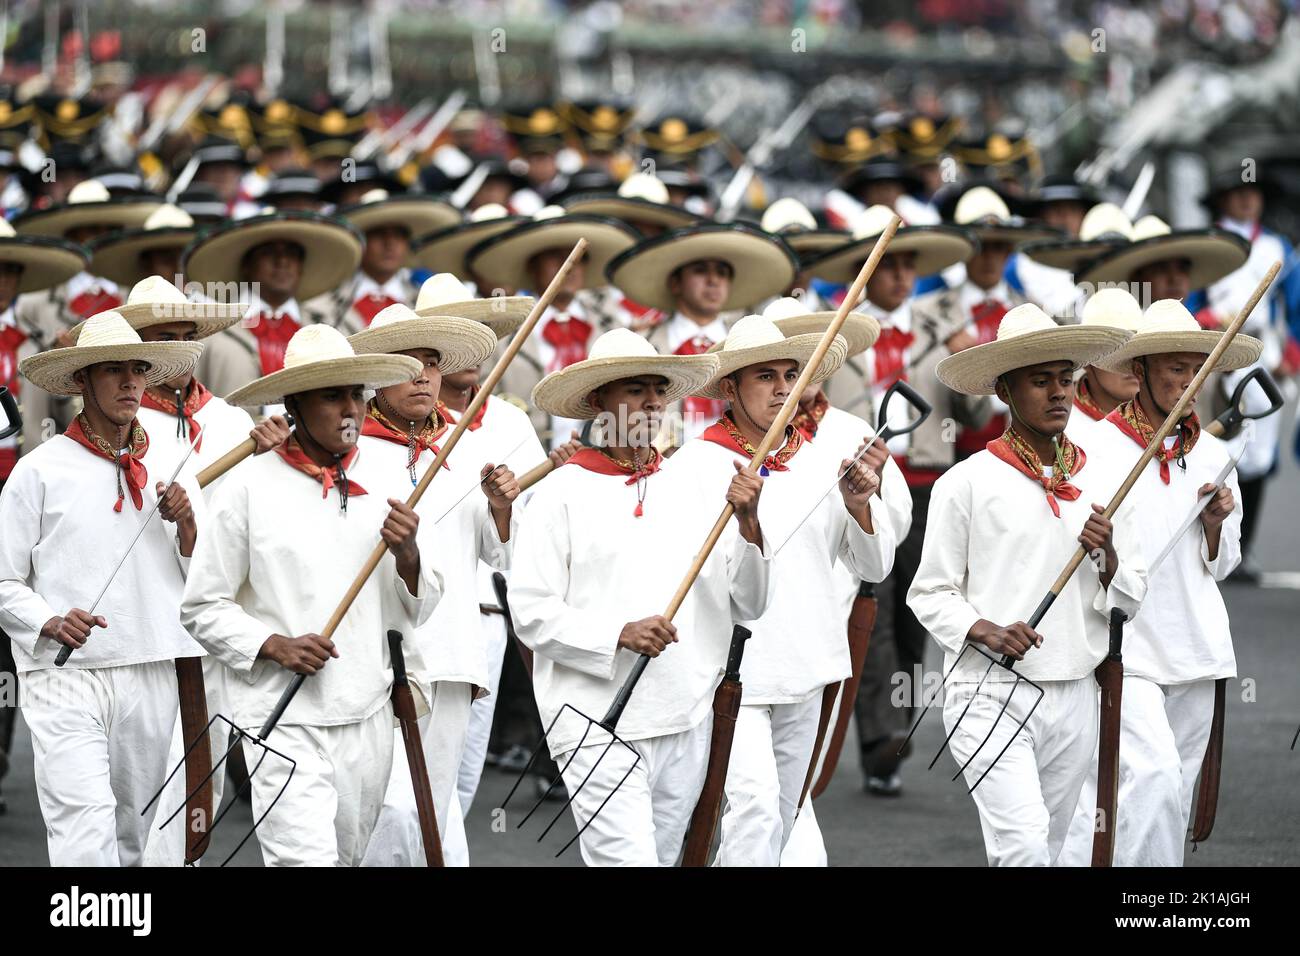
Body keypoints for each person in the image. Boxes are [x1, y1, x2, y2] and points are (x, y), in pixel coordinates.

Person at [180, 325, 443, 866]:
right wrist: (274, 644)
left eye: (356, 395)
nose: (349, 409)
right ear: (295, 405)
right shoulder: (247, 489)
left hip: (367, 713)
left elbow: (424, 603)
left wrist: (410, 554)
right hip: (282, 717)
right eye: (332, 395)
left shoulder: (395, 480)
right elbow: (202, 607)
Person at [509, 328, 771, 866]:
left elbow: (750, 603)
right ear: (597, 400)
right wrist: (617, 634)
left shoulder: (699, 482)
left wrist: (749, 525)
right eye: (634, 388)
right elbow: (530, 611)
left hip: (684, 711)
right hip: (592, 718)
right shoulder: (560, 491)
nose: (652, 401)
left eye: (658, 388)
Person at [907, 303, 1144, 866]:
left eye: (1066, 379)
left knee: (1059, 848)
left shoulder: (1107, 480)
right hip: (987, 695)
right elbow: (929, 591)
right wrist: (982, 628)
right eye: (1041, 382)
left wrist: (1108, 555)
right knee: (1023, 846)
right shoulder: (963, 482)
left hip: (1076, 688)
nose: (1059, 393)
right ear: (1005, 391)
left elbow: (1131, 593)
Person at [671, 314, 894, 866]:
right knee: (753, 808)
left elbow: (876, 565)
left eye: (790, 374)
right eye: (764, 376)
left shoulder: (825, 461)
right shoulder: (695, 464)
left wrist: (861, 504)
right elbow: (710, 583)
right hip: (731, 671)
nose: (781, 388)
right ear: (730, 388)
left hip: (810, 665)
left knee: (784, 815)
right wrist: (747, 523)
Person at [1060, 298, 1261, 867]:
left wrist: (1218, 527)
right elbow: (1076, 547)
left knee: (1165, 799)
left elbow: (1224, 566)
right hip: (1126, 650)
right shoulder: (1094, 449)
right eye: (1176, 368)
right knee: (1150, 778)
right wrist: (1102, 546)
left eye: (1198, 368)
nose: (1190, 382)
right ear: (1141, 371)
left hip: (1198, 649)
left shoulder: (1217, 454)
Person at [0, 310, 203, 865]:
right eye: (112, 370)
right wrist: (47, 620)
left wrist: (187, 526)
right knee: (83, 834)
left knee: (145, 840)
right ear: (82, 381)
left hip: (154, 663)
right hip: (63, 675)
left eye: (138, 369)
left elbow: (209, 579)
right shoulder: (38, 470)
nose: (130, 381)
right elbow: (2, 579)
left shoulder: (175, 461)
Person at [807, 203, 982, 794]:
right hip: (857, 485)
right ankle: (878, 737)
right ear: (864, 267)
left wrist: (971, 362)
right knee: (867, 606)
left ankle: (895, 730)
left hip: (929, 486)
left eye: (909, 265)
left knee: (917, 614)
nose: (902, 276)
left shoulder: (941, 329)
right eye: (888, 264)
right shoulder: (834, 332)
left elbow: (978, 414)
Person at [344, 302, 510, 865]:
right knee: (384, 813)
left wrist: (502, 508)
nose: (422, 375)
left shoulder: (468, 450)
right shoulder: (347, 450)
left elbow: (500, 553)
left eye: (432, 363)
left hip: (454, 655)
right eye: (406, 362)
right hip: (379, 656)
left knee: (431, 817)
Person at [607, 221, 797, 447]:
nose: (713, 280)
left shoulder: (752, 344)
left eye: (722, 273)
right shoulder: (642, 344)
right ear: (676, 283)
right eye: (700, 270)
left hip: (740, 465)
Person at [467, 207, 639, 446]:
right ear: (532, 266)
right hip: (526, 463)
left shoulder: (613, 326)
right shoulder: (504, 333)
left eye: (577, 257)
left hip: (603, 462)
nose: (569, 265)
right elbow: (483, 405)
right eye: (554, 256)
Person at [182, 210, 363, 400]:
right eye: (268, 253)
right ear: (246, 265)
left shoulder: (334, 328)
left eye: (291, 254)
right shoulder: (211, 333)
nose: (282, 261)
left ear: (302, 266)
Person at [303, 190, 460, 334]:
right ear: (361, 242)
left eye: (398, 236)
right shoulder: (320, 308)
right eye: (379, 235)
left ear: (407, 243)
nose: (390, 244)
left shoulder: (428, 304)